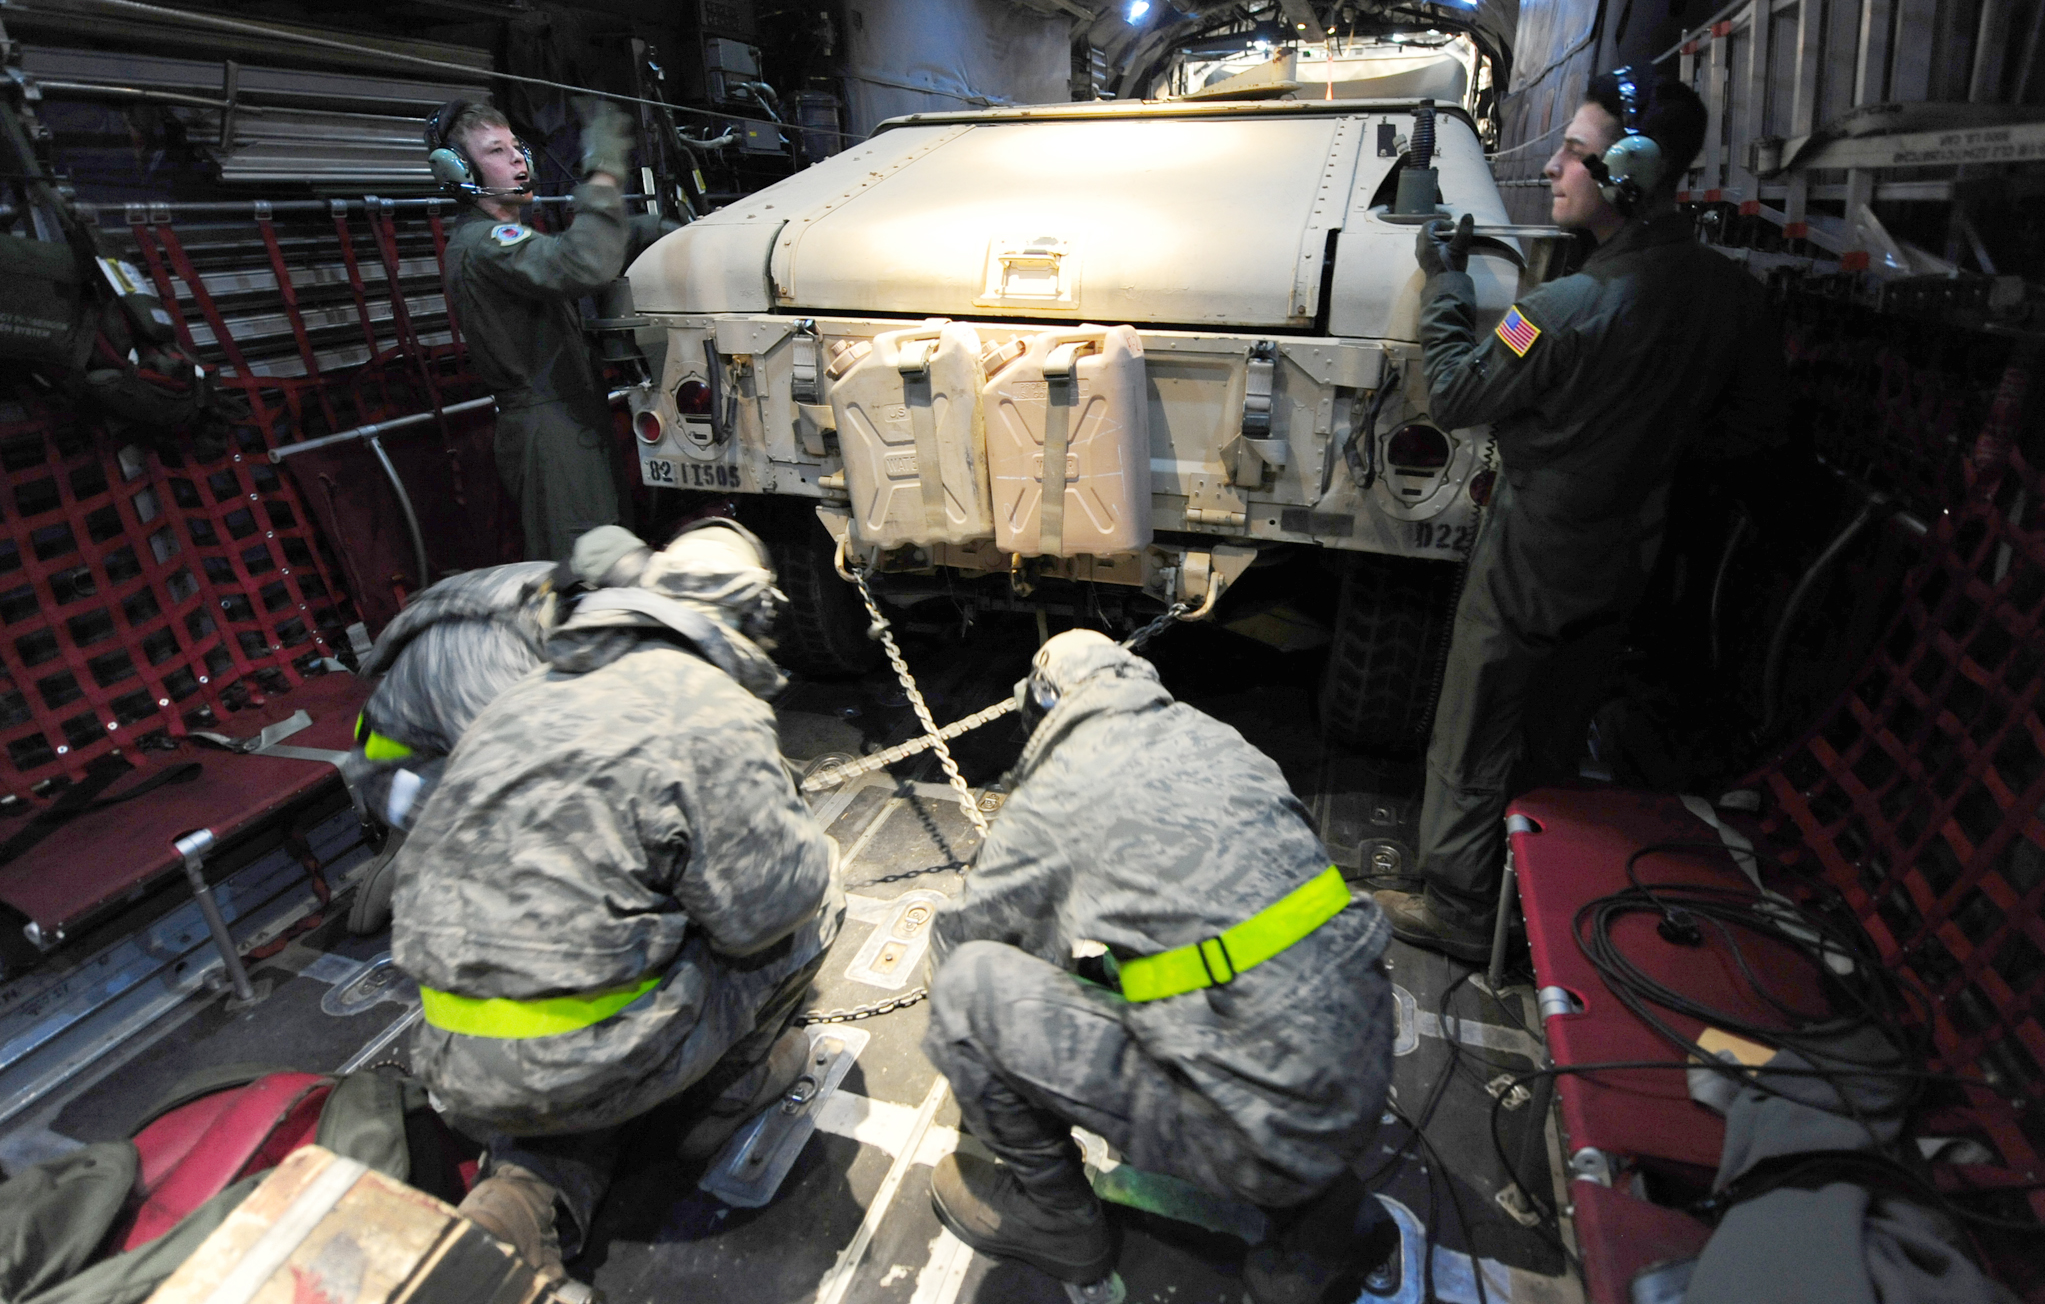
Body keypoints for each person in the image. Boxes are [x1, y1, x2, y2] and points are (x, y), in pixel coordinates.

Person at [1376, 72, 1788, 962]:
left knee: (1476, 724)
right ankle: (1532, 893)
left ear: (1628, 175)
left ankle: (1455, 904)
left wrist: (1445, 280)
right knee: (1554, 735)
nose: (1554, 166)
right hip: (1625, 551)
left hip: (1531, 550)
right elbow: (1753, 432)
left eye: (1574, 152)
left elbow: (1452, 389)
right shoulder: (1731, 296)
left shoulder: (1561, 312)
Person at [390, 520, 844, 1287]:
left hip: (450, 1056)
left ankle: (521, 1197)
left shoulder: (531, 686)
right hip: (582, 1053)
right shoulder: (710, 703)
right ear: (756, 616)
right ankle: (722, 1096)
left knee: (579, 1010)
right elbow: (768, 907)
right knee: (821, 888)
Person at [923, 630, 1396, 1303]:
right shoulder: (1223, 741)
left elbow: (960, 946)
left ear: (1043, 706)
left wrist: (988, 1071)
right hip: (1363, 1062)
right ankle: (1320, 1223)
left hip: (1261, 1125)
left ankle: (1059, 1219)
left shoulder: (1057, 791)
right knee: (1229, 966)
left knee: (967, 993)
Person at [340, 525, 654, 933]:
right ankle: (413, 854)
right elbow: (522, 785)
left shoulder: (567, 588)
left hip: (461, 736)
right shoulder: (484, 661)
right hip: (402, 769)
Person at [428, 99, 636, 563]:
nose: (518, 159)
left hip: (576, 417)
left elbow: (568, 250)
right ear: (460, 171)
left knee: (613, 556)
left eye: (516, 147)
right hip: (551, 433)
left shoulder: (513, 238)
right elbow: (578, 264)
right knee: (585, 569)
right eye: (496, 151)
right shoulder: (485, 244)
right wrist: (604, 172)